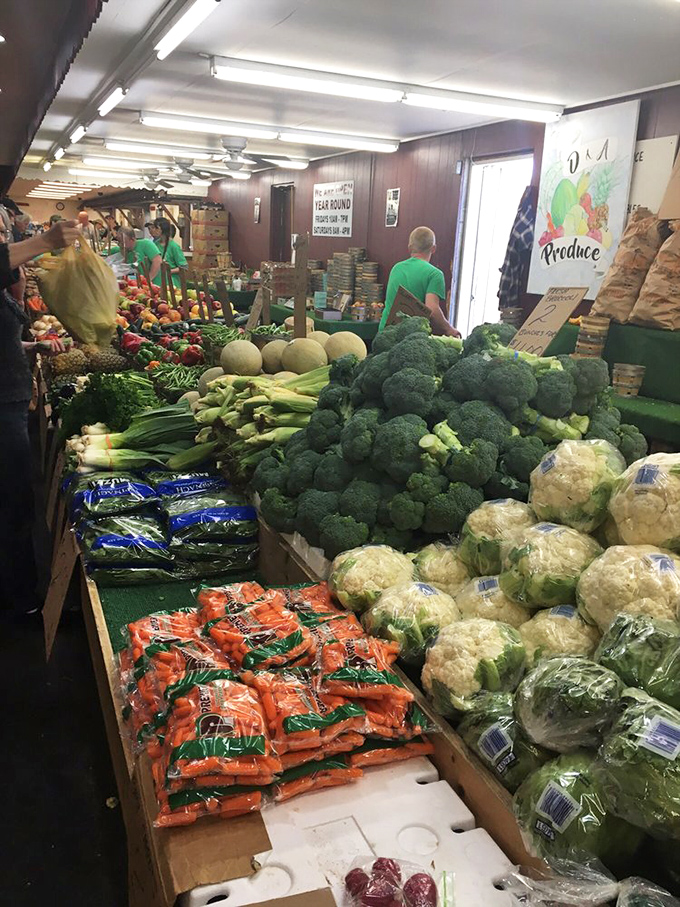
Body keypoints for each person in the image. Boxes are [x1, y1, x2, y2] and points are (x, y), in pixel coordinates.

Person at [0, 218, 77, 618]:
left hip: (9, 403)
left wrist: (32, 347)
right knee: (12, 501)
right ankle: (20, 600)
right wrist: (45, 240)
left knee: (15, 499)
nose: (3, 239)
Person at [380, 226, 460, 337]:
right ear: (433, 249)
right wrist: (449, 329)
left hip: (385, 332)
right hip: (408, 337)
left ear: (409, 248)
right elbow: (432, 309)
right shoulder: (434, 274)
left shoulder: (396, 268)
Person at [153, 217, 188, 287]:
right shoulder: (155, 245)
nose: (154, 230)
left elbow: (184, 267)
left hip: (172, 284)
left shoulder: (174, 246)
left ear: (162, 229)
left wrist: (169, 271)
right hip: (157, 284)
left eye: (156, 228)